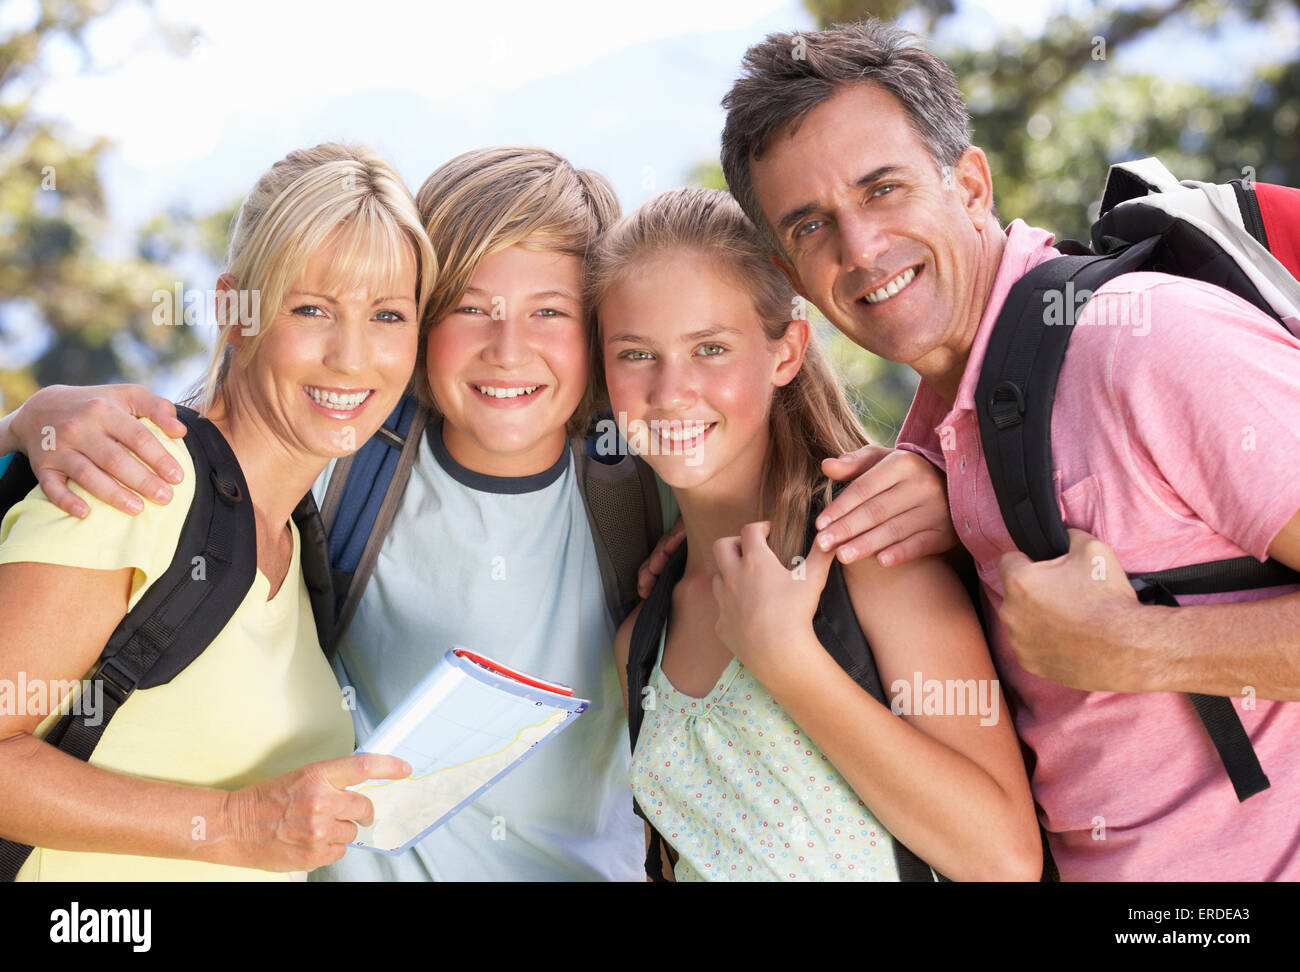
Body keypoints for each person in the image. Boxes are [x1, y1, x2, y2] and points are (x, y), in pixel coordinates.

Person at [1, 146, 959, 881]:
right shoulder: (345, 464)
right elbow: (229, 415)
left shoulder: (642, 476)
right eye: (469, 308)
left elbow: (759, 438)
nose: (509, 351)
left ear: (598, 339)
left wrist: (935, 483)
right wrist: (27, 424)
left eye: (550, 313)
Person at [718, 19, 1300, 880]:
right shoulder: (934, 444)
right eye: (810, 227)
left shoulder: (1143, 345)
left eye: (883, 190)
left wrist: (1138, 646)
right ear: (789, 270)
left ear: (972, 183)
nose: (860, 248)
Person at [0, 142, 433, 880]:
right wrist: (235, 825)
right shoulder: (135, 477)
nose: (353, 356)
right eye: (311, 309)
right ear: (235, 312)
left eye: (388, 314)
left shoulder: (298, 545)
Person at [590, 186, 1041, 881]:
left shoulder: (869, 548)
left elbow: (1002, 859)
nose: (671, 390)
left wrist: (786, 658)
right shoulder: (641, 640)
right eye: (635, 354)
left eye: (710, 348)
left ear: (786, 352)